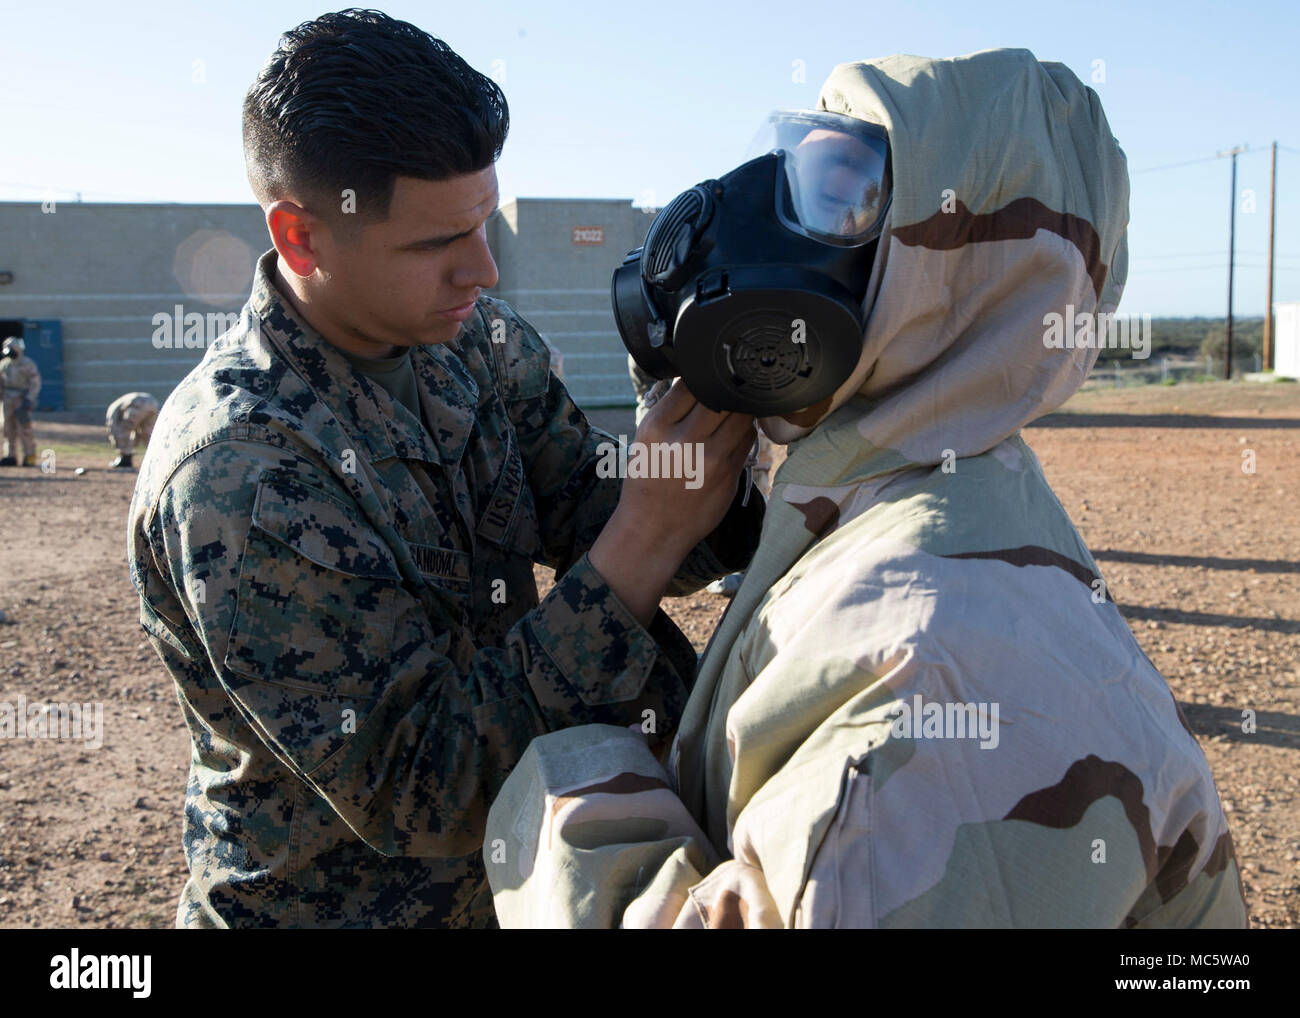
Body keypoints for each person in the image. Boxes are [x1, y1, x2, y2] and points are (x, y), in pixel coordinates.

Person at [484, 49, 1246, 928]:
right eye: (801, 171)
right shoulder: (896, 501)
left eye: (836, 188)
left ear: (953, 273)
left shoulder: (934, 678)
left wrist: (568, 800)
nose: (749, 210)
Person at [125, 9, 762, 929]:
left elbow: (597, 509)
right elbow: (426, 783)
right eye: (435, 244)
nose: (485, 269)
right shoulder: (241, 470)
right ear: (304, 238)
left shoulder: (476, 344)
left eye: (483, 223)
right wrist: (650, 530)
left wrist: (711, 417)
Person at [0, 335, 40, 467]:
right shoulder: (4, 364)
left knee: (24, 429)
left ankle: (29, 456)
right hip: (7, 400)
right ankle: (10, 456)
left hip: (21, 400)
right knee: (7, 429)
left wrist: (30, 398)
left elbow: (35, 382)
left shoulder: (27, 363)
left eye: (11, 348)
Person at [105, 391, 159, 469]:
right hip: (153, 402)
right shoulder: (118, 404)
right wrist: (134, 442)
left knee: (124, 429)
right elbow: (137, 432)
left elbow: (115, 428)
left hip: (138, 403)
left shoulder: (112, 412)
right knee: (149, 434)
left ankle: (125, 459)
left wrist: (123, 448)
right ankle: (156, 458)